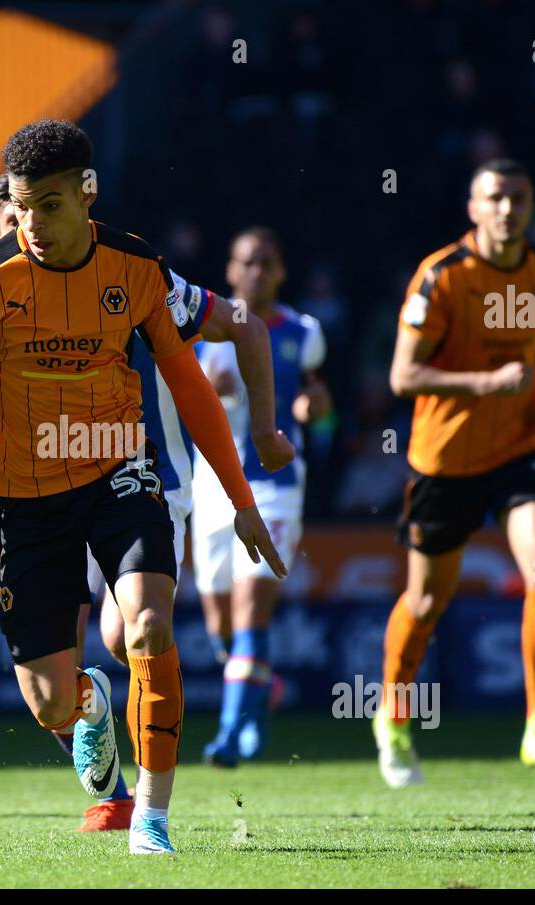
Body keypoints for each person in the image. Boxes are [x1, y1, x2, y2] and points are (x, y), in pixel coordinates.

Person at [0, 120, 284, 854]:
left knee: (146, 626)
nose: (33, 225)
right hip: (24, 499)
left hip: (120, 472)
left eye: (48, 205)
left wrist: (241, 499)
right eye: (21, 207)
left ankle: (153, 818)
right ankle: (90, 706)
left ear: (86, 193)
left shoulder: (137, 266)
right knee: (48, 706)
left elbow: (190, 384)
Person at [378, 158, 535, 786]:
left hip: (521, 448)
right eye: (495, 198)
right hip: (444, 458)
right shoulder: (442, 277)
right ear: (474, 208)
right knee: (426, 600)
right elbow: (402, 376)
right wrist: (487, 382)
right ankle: (391, 713)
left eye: (518, 198)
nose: (508, 209)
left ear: (531, 207)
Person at [189, 227, 329, 767]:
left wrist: (313, 410)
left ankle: (228, 736)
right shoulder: (202, 332)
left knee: (251, 611)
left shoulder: (302, 331)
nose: (256, 272)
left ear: (281, 273)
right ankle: (258, 694)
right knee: (221, 626)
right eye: (248, 262)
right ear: (230, 270)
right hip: (213, 485)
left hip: (274, 488)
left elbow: (319, 397)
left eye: (267, 263)